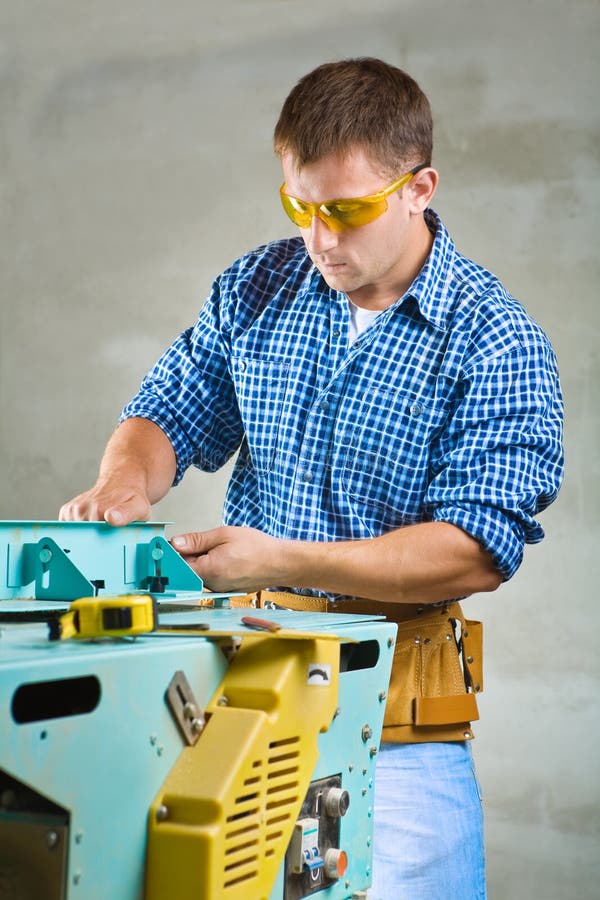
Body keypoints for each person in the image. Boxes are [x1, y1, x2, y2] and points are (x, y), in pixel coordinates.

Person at [60, 58, 564, 898]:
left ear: (419, 187)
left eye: (347, 210)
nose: (320, 239)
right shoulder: (260, 286)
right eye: (300, 206)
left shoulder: (497, 342)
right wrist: (126, 481)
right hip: (241, 712)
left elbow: (476, 549)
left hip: (400, 739)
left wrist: (281, 559)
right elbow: (168, 411)